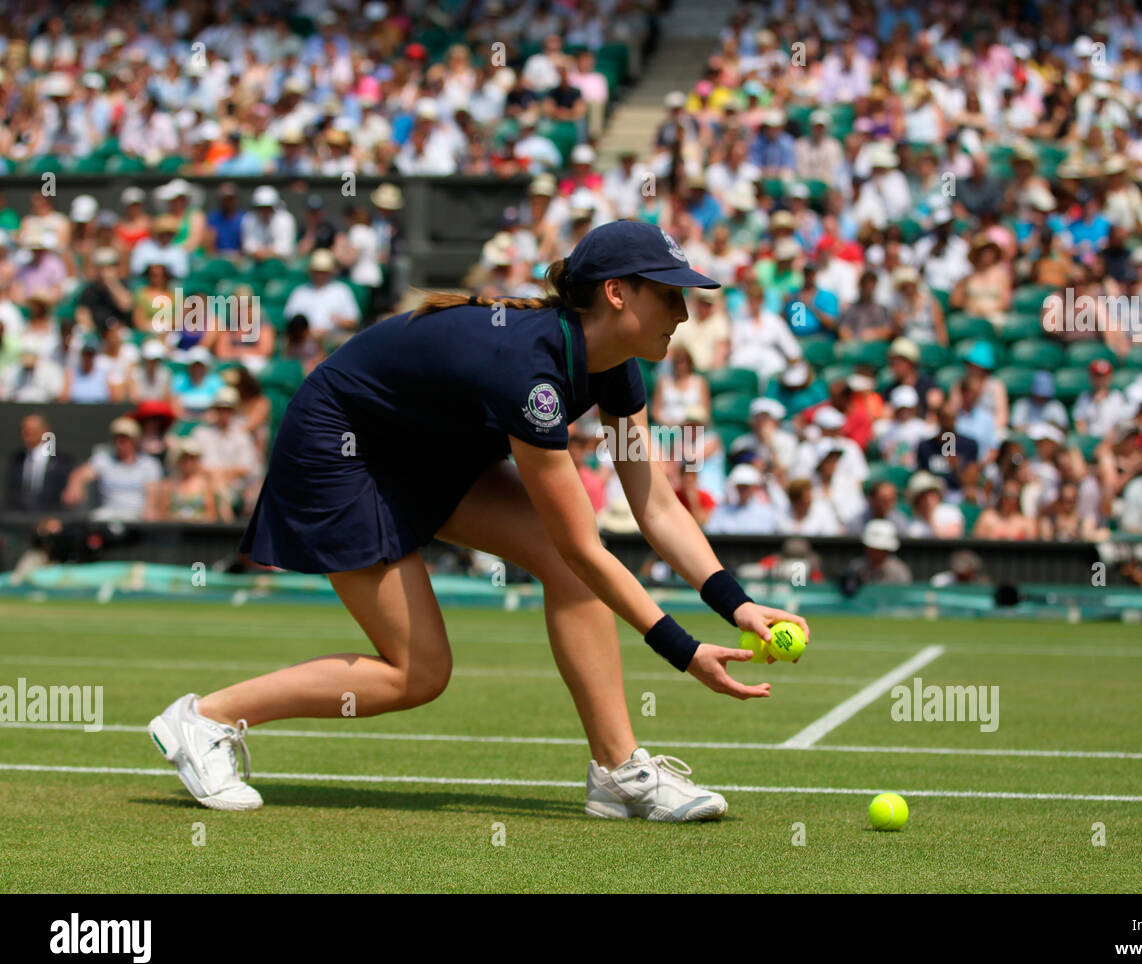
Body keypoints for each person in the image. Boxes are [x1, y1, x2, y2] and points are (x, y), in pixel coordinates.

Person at [148, 220, 807, 820]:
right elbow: (582, 544)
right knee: (420, 672)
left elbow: (657, 505)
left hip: (427, 452)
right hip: (340, 448)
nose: (685, 312)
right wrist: (685, 651)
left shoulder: (616, 371)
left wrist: (738, 606)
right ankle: (206, 718)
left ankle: (617, 771)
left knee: (567, 569)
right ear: (617, 294)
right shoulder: (531, 374)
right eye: (671, 295)